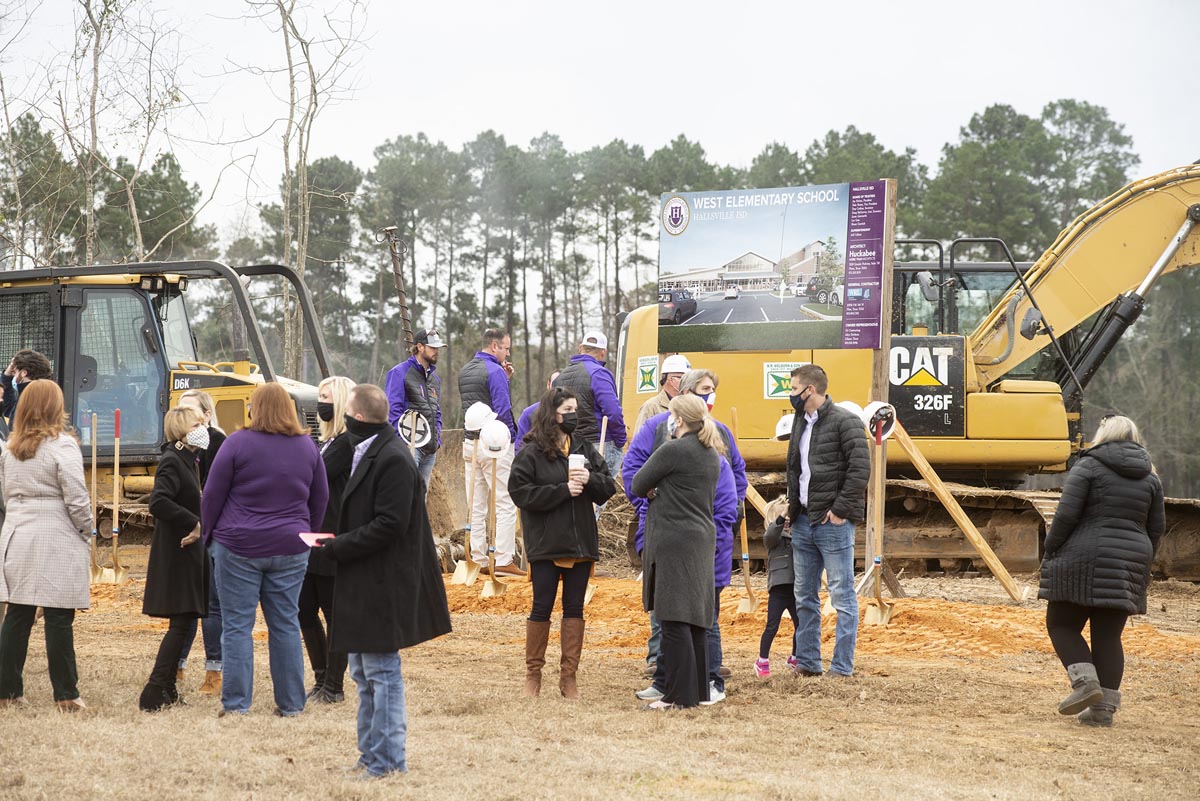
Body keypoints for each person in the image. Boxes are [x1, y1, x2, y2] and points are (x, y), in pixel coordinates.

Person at [317, 384, 452, 778]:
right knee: (362, 672)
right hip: (364, 579)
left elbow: (391, 525)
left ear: (357, 419)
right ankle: (370, 756)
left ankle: (389, 761)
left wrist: (338, 546)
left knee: (380, 673)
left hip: (384, 582)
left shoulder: (393, 458)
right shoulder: (370, 449)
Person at [201, 382, 328, 717]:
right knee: (286, 623)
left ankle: (236, 706)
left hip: (238, 544)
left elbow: (212, 495)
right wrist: (305, 533)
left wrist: (210, 536)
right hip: (290, 545)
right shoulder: (306, 446)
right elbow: (321, 497)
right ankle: (291, 705)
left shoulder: (236, 443)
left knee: (237, 626)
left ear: (253, 408)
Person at [624, 368, 746, 695]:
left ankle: (702, 682)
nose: (710, 394)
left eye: (712, 388)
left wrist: (726, 522)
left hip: (695, 535)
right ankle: (672, 680)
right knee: (677, 615)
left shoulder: (692, 445)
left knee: (692, 616)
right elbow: (633, 474)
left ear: (680, 416)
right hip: (690, 531)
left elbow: (733, 484)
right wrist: (647, 502)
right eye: (705, 388)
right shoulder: (695, 443)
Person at [1038, 414, 1165, 726]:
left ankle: (1085, 684)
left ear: (1103, 435)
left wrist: (1050, 548)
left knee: (1062, 625)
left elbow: (1066, 516)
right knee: (1108, 636)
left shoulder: (1088, 466)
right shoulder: (1150, 477)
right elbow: (1156, 529)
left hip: (1082, 558)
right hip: (1129, 562)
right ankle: (1102, 712)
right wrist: (1140, 562)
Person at [508, 386, 616, 699]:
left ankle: (569, 678)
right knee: (541, 607)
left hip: (580, 543)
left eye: (575, 409)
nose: (574, 415)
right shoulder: (532, 451)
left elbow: (608, 485)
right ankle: (533, 676)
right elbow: (520, 492)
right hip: (545, 543)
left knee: (574, 609)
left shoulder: (583, 446)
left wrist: (588, 481)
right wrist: (561, 490)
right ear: (552, 413)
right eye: (568, 409)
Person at [0, 380, 92, 711]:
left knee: (18, 614)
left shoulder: (10, 450)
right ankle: (66, 693)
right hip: (55, 536)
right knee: (58, 616)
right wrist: (88, 530)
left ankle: (7, 690)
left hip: (18, 534)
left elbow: (7, 495)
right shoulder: (62, 447)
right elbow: (77, 498)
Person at [786, 364, 869, 678]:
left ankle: (841, 666)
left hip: (832, 524)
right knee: (804, 596)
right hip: (804, 522)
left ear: (810, 390)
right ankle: (808, 662)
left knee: (842, 596)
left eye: (794, 389)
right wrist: (792, 512)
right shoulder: (800, 421)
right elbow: (795, 471)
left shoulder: (845, 422)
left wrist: (840, 511)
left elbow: (859, 471)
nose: (790, 394)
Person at [139, 406, 210, 711]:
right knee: (180, 623)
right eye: (196, 423)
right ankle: (155, 689)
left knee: (183, 621)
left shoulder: (188, 460)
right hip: (178, 551)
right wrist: (192, 522)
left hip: (187, 552)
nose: (203, 426)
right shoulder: (172, 461)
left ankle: (165, 688)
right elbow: (159, 501)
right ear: (182, 429)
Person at [300, 375, 355, 704]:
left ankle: (334, 685)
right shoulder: (322, 443)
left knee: (333, 614)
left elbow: (313, 475)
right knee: (304, 609)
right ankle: (321, 678)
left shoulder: (346, 444)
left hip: (333, 535)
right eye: (318, 395)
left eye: (326, 397)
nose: (319, 403)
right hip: (310, 536)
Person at [458, 328, 522, 575]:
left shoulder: (466, 371)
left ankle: (478, 558)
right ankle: (504, 559)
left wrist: (504, 379)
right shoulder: (494, 371)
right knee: (505, 502)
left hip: (469, 443)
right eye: (506, 348)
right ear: (494, 346)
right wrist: (511, 440)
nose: (508, 353)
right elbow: (502, 410)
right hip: (494, 444)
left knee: (475, 503)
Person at [175, 388, 226, 695]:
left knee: (211, 604)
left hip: (212, 531)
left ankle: (214, 671)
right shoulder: (176, 446)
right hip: (185, 529)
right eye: (179, 411)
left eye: (190, 412)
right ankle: (177, 665)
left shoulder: (220, 444)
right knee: (185, 604)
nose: (184, 418)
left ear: (207, 415)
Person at [552, 331, 627, 477]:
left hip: (569, 444)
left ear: (581, 348)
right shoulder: (599, 374)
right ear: (603, 352)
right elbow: (613, 412)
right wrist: (620, 440)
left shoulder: (559, 378)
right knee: (599, 492)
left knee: (577, 491)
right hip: (599, 442)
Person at [384, 328, 444, 491]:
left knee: (420, 500)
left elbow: (436, 411)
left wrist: (437, 439)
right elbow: (391, 411)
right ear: (420, 347)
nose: (436, 351)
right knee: (403, 495)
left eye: (438, 348)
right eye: (433, 347)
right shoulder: (399, 372)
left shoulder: (434, 379)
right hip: (409, 447)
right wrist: (402, 443)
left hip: (430, 449)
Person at [755, 498, 800, 677]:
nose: (787, 519)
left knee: (800, 625)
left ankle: (795, 657)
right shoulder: (772, 537)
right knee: (772, 625)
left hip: (795, 588)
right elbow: (771, 535)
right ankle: (762, 660)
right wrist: (782, 516)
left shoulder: (797, 534)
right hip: (779, 588)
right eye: (784, 515)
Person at [633, 354, 690, 434]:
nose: (687, 382)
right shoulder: (651, 407)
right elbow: (639, 439)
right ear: (670, 379)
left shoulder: (689, 406)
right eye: (683, 377)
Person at [1, 349, 53, 428]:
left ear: (24, 373)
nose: (14, 376)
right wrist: (7, 376)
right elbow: (8, 408)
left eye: (15, 372)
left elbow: (8, 409)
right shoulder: (45, 395)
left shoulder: (30, 398)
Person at [514, 370, 560, 451]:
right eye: (555, 384)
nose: (558, 389)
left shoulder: (572, 415)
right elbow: (519, 447)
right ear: (548, 385)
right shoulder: (529, 414)